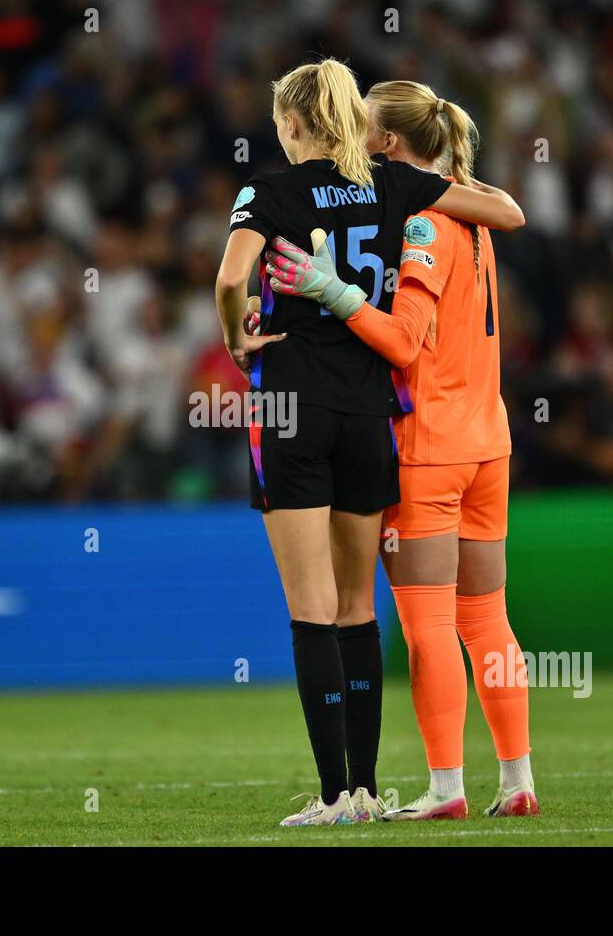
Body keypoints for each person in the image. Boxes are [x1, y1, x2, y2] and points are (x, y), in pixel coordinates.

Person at [214, 60, 523, 826]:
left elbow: (232, 281)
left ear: (290, 123)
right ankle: (437, 781)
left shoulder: (285, 192)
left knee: (332, 611)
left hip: (339, 418)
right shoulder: (409, 196)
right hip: (415, 422)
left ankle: (354, 794)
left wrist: (247, 332)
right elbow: (507, 211)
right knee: (392, 611)